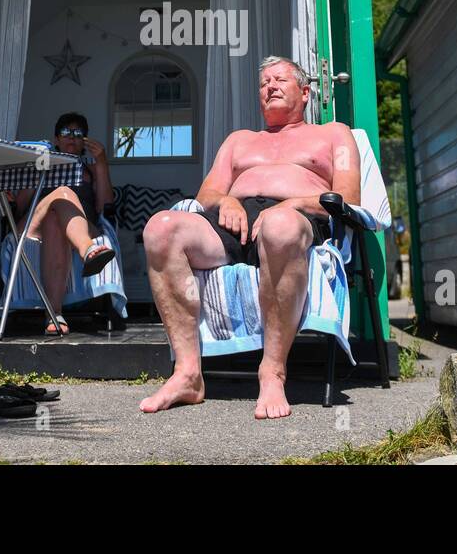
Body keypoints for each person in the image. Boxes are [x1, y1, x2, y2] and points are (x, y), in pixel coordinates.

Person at [139, 56, 360, 419]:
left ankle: (272, 371)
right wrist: (227, 200)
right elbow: (206, 194)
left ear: (305, 92)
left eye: (279, 80)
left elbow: (347, 200)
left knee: (280, 226)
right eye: (263, 83)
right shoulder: (240, 140)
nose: (269, 86)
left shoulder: (333, 133)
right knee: (161, 227)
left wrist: (287, 205)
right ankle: (188, 374)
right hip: (232, 223)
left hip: (297, 219)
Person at [7, 112, 115, 335]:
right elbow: (19, 206)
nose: (71, 137)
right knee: (62, 193)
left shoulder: (90, 169)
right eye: (66, 132)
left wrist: (102, 163)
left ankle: (54, 314)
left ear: (85, 140)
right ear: (56, 139)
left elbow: (104, 205)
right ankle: (88, 250)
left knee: (54, 221)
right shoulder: (42, 164)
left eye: (78, 133)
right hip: (32, 227)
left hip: (81, 224)